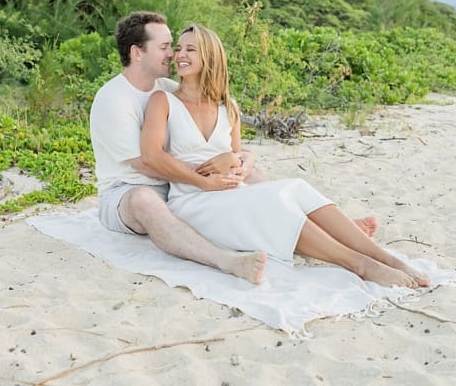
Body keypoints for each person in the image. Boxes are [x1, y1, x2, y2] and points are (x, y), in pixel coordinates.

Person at [140, 23, 431, 288]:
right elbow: (152, 156)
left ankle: (387, 258)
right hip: (193, 201)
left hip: (231, 191)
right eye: (178, 48)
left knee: (297, 187)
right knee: (272, 201)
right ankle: (361, 265)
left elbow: (237, 153)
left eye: (191, 49)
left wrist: (242, 162)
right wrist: (201, 181)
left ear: (210, 57)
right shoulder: (163, 100)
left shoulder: (227, 105)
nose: (180, 54)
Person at [89, 11, 267, 284]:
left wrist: (240, 158)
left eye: (172, 46)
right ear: (137, 53)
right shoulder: (114, 98)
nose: (172, 54)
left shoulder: (167, 86)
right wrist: (205, 177)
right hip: (126, 192)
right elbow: (146, 163)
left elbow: (209, 122)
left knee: (253, 176)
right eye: (164, 47)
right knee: (144, 199)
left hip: (175, 184)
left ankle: (315, 228)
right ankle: (226, 261)